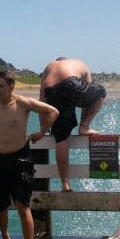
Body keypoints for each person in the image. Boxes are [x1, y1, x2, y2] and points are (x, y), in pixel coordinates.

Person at [0, 70, 58, 239]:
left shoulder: (23, 103)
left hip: (21, 158)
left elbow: (53, 112)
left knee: (22, 206)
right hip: (0, 159)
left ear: (11, 86)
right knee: (1, 206)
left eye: (0, 86)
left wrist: (41, 132)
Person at [39, 57, 107, 192]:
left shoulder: (48, 67)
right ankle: (84, 127)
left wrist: (43, 128)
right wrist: (83, 122)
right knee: (101, 92)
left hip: (51, 89)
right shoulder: (79, 64)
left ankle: (65, 184)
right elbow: (88, 95)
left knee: (61, 139)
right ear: (66, 60)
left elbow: (42, 100)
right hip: (71, 83)